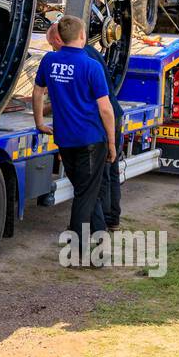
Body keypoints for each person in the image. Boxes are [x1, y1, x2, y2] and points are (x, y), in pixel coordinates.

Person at [31, 16, 117, 264]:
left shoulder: (49, 61)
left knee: (87, 192)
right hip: (91, 139)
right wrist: (111, 143)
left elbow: (38, 92)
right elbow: (106, 109)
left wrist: (38, 122)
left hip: (65, 139)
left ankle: (101, 250)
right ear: (82, 37)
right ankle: (79, 253)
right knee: (85, 196)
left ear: (60, 37)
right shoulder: (91, 66)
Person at [47, 21, 125, 230]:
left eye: (53, 45)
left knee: (103, 176)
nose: (53, 50)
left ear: (59, 38)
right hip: (100, 120)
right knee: (97, 182)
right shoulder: (88, 55)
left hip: (102, 121)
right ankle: (106, 222)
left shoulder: (81, 60)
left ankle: (107, 220)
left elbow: (95, 103)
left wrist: (109, 142)